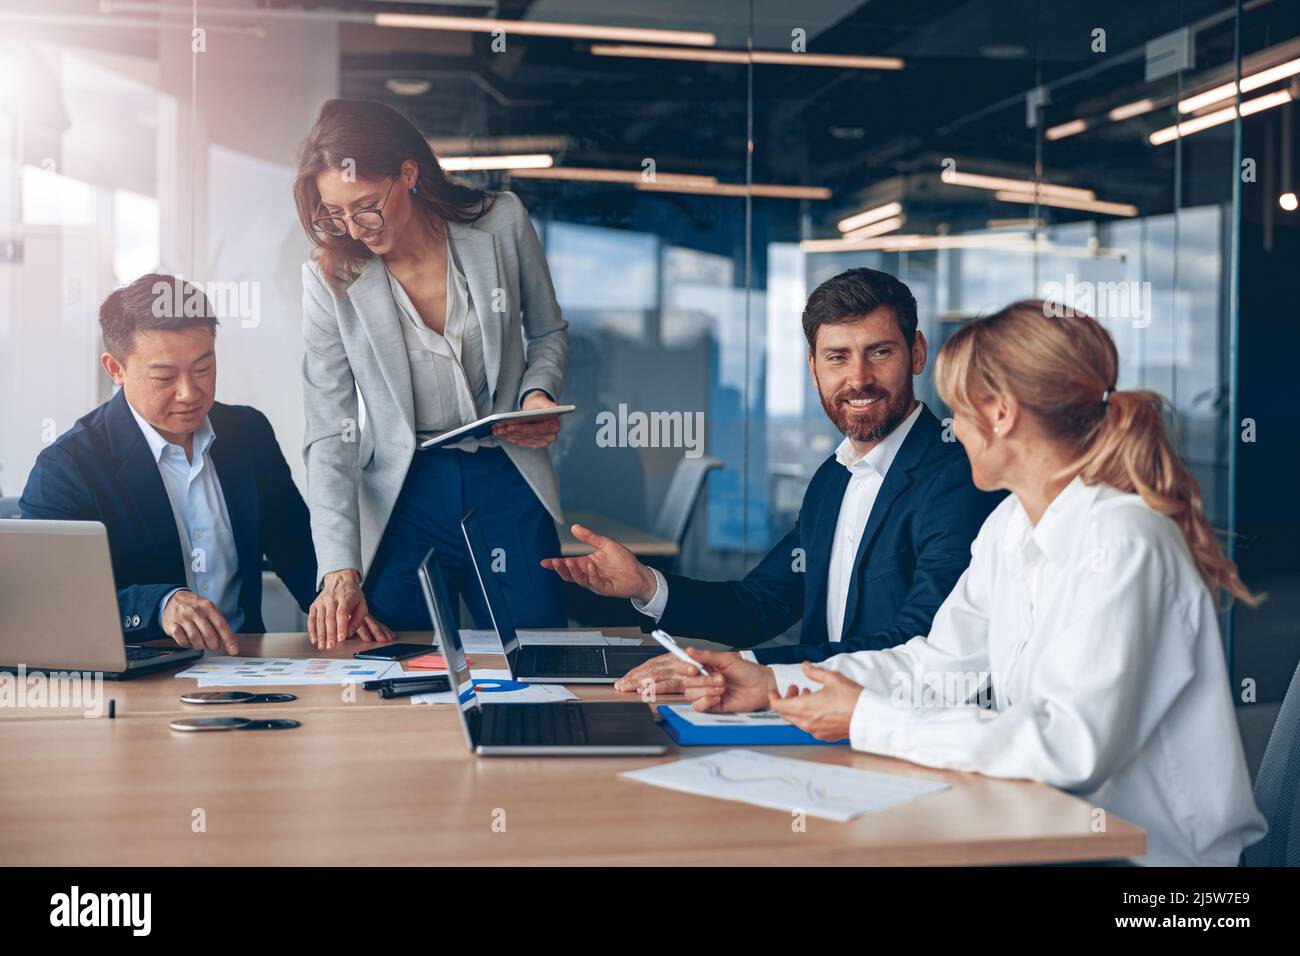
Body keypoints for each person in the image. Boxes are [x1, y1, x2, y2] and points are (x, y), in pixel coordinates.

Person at [668, 300, 1267, 867]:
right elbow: (935, 665)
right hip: (1046, 835)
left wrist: (867, 719)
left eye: (958, 409)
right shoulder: (1011, 524)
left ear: (1001, 414)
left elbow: (1067, 749)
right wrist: (774, 682)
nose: (951, 427)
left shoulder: (1123, 540)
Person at [542, 268, 1002, 692]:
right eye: (837, 357)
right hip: (819, 718)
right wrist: (647, 585)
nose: (858, 378)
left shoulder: (958, 478)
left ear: (917, 353)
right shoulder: (834, 478)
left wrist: (743, 668)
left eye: (879, 352)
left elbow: (916, 643)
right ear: (813, 367)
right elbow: (760, 605)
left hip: (897, 729)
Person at [294, 99, 569, 650]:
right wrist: (339, 568)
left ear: (409, 174)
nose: (354, 228)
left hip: (505, 476)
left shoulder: (501, 221)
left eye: (367, 206)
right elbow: (329, 433)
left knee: (538, 653)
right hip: (405, 493)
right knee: (389, 660)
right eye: (336, 213)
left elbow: (549, 333)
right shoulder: (330, 278)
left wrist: (538, 393)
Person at [18, 274, 350, 654]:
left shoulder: (248, 433)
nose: (190, 393)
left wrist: (335, 601)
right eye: (164, 376)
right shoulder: (67, 467)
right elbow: (53, 597)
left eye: (203, 369)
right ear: (115, 369)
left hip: (247, 666)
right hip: (143, 673)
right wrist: (159, 606)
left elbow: (294, 546)